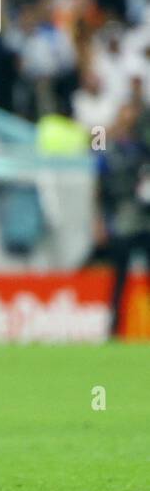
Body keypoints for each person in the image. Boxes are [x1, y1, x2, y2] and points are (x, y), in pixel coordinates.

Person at [94, 102, 150, 339]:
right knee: (119, 279)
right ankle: (114, 328)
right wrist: (98, 221)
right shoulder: (107, 145)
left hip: (145, 218)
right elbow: (94, 150)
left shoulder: (142, 146)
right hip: (120, 220)